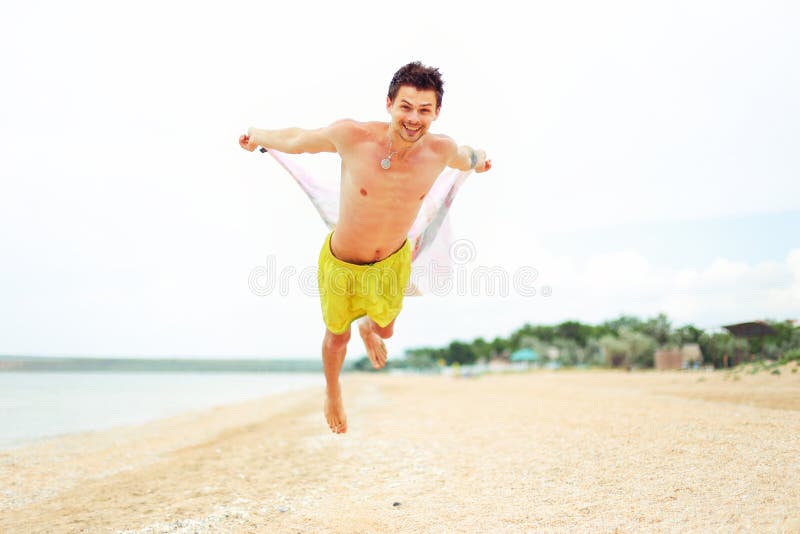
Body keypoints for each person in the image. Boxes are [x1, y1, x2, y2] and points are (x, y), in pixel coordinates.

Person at [239, 62, 491, 434]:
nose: (413, 118)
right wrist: (257, 134)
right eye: (406, 106)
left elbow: (466, 155)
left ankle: (369, 328)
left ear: (436, 113)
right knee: (336, 335)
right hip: (342, 263)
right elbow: (299, 139)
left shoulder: (440, 150)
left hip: (391, 264)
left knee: (386, 331)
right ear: (389, 103)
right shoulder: (352, 136)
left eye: (424, 110)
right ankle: (333, 392)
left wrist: (480, 160)